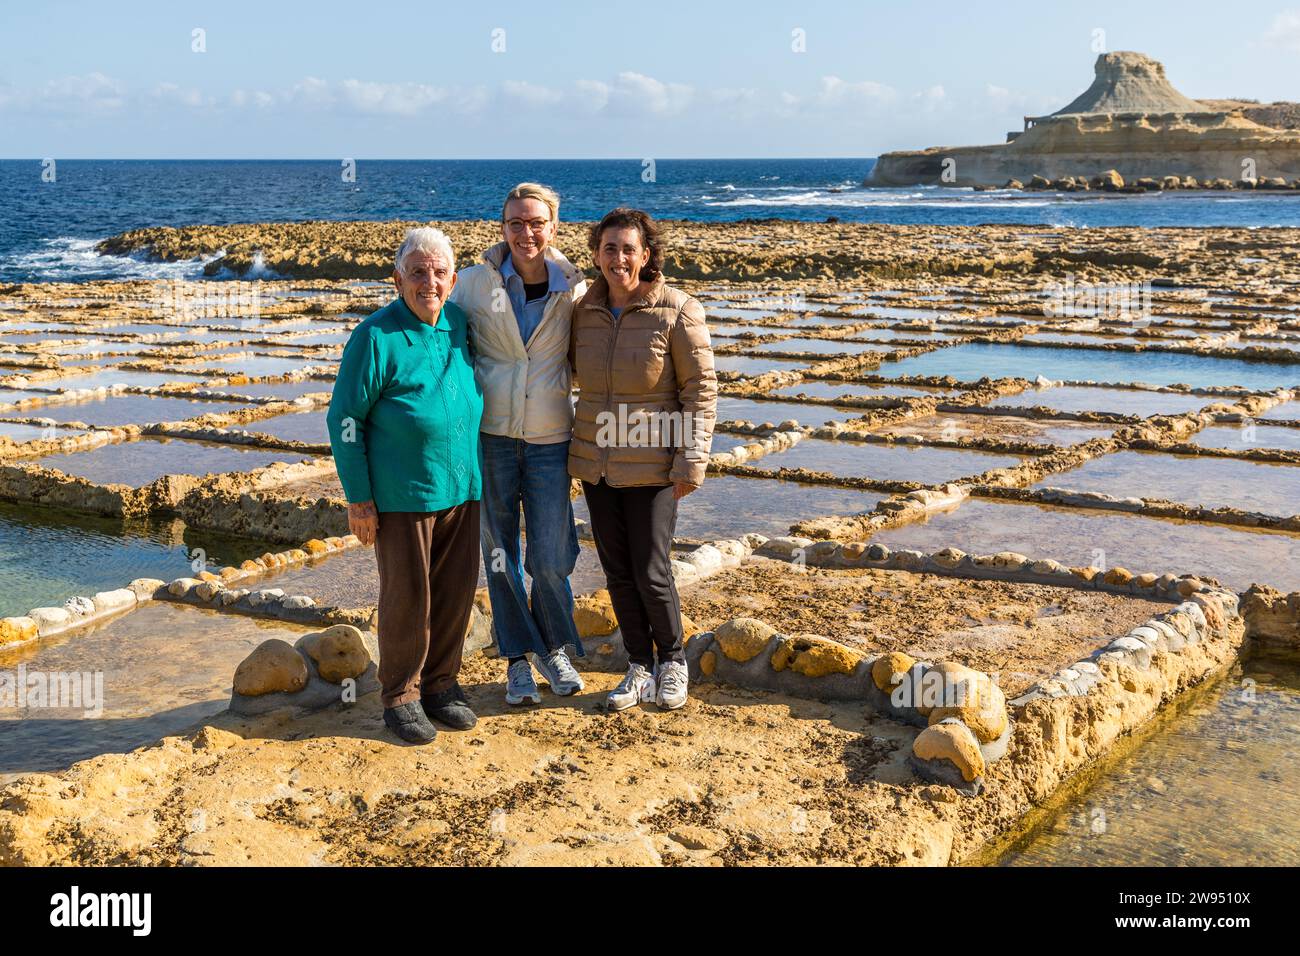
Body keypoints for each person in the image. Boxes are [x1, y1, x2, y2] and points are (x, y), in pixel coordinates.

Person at [327, 226, 483, 744]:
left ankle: (441, 686)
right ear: (398, 280)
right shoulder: (376, 336)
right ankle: (400, 695)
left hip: (462, 488)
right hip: (402, 495)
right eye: (417, 272)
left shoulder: (459, 325)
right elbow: (344, 419)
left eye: (439, 273)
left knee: (455, 595)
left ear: (453, 279)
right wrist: (358, 498)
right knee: (407, 597)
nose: (429, 282)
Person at [568, 207, 717, 712]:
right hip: (597, 463)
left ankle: (673, 662)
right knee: (616, 570)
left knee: (651, 569)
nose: (618, 258)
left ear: (646, 255)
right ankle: (638, 667)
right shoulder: (583, 311)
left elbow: (700, 389)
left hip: (654, 466)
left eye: (628, 248)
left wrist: (691, 460)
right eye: (609, 248)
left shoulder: (676, 310)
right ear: (596, 254)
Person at [450, 183, 589, 706]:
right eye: (515, 223)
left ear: (554, 227)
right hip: (493, 439)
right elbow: (442, 339)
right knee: (499, 555)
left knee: (552, 556)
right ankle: (516, 660)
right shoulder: (473, 283)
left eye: (536, 223)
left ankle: (553, 647)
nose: (526, 233)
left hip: (552, 440)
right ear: (502, 227)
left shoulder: (575, 289)